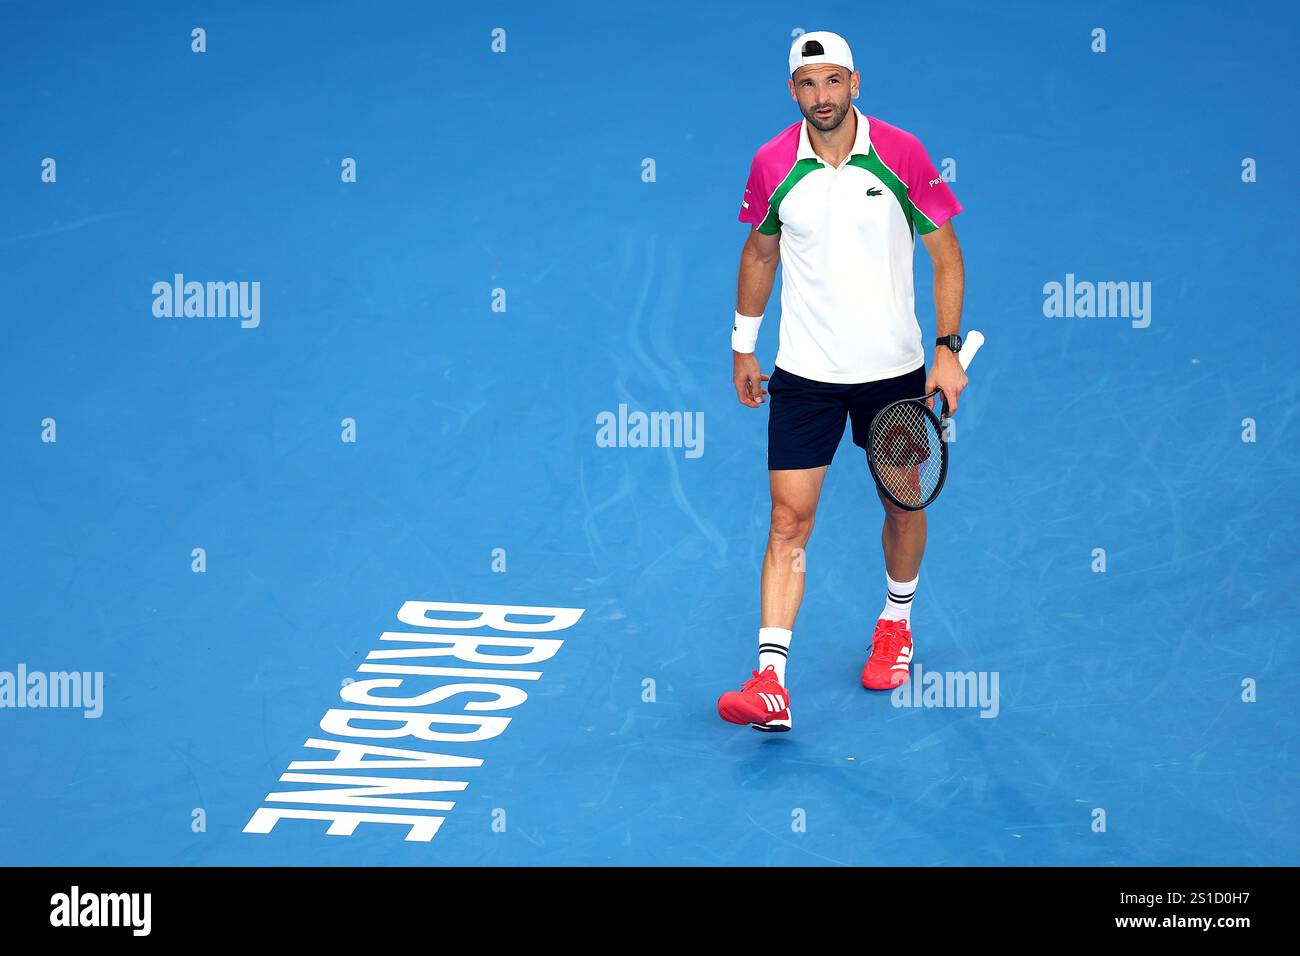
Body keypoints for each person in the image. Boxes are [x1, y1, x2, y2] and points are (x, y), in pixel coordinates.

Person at [718, 31, 968, 733]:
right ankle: (771, 680)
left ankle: (897, 621)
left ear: (855, 83)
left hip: (892, 376)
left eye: (833, 83)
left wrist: (946, 349)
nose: (821, 97)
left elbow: (945, 254)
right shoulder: (773, 162)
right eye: (808, 85)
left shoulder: (902, 153)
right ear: (792, 92)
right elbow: (761, 251)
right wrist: (744, 346)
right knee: (788, 520)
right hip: (805, 376)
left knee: (903, 505)